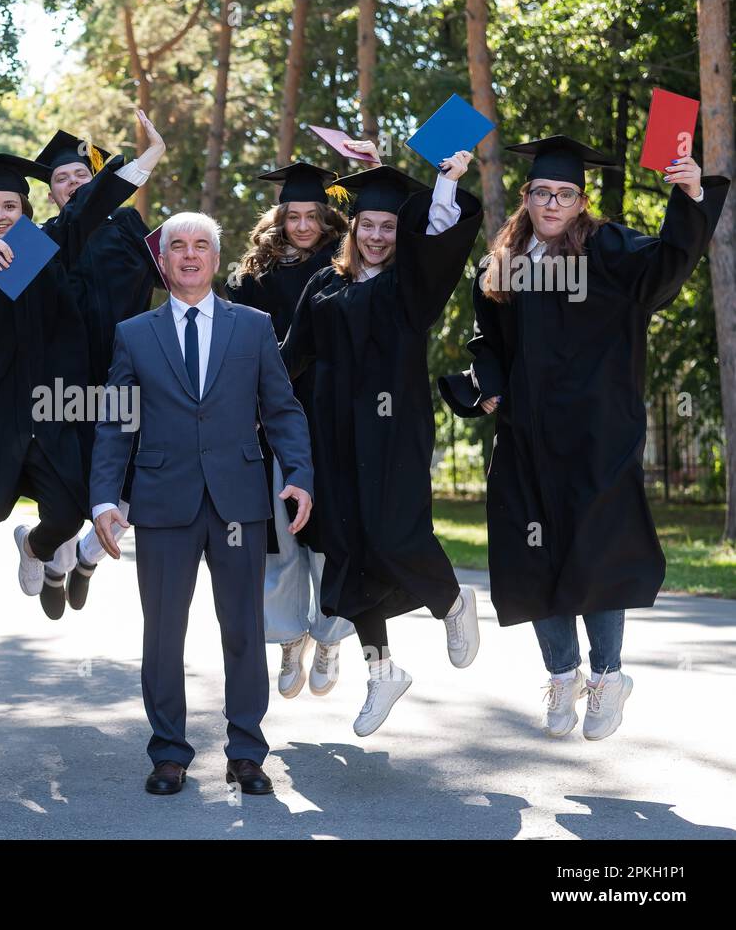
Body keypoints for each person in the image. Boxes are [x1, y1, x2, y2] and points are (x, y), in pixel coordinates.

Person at [439, 135, 729, 741]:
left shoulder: (608, 247)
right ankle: (563, 673)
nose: (552, 202)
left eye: (564, 193)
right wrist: (488, 385)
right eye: (542, 191)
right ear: (527, 195)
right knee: (533, 556)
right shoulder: (507, 262)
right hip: (527, 438)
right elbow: (488, 339)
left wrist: (691, 193)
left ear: (580, 199)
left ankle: (608, 677)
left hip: (599, 436)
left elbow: (669, 265)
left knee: (597, 554)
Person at [0, 110, 163, 624]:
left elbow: (92, 204)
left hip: (48, 412)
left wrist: (150, 155)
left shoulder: (43, 248)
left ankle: (36, 549)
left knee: (66, 512)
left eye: (9, 206)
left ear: (26, 209)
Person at [90, 210, 315, 797]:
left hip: (239, 503)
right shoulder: (134, 334)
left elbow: (284, 410)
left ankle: (246, 751)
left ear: (216, 260)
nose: (189, 255)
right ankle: (168, 753)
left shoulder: (254, 327)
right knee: (163, 633)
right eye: (177, 247)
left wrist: (300, 474)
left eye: (201, 246)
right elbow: (116, 425)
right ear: (162, 262)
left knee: (242, 628)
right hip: (163, 504)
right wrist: (103, 499)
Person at [280, 156, 484, 737]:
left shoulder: (411, 283)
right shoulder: (325, 282)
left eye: (388, 227)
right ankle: (382, 670)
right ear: (351, 228)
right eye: (367, 225)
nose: (375, 237)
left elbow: (440, 237)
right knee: (345, 549)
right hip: (333, 435)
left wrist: (445, 182)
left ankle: (450, 602)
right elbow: (291, 354)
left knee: (395, 534)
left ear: (402, 233)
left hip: (393, 431)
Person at [228, 158, 355, 700]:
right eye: (292, 215)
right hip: (270, 417)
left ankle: (328, 636)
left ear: (327, 218)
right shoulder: (252, 275)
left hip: (330, 414)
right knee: (279, 540)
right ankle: (286, 639)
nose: (302, 225)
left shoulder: (344, 267)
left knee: (327, 539)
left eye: (312, 215)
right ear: (278, 218)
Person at [31, 128, 166, 619]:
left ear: (96, 180)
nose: (72, 183)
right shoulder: (43, 237)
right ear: (51, 193)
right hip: (65, 382)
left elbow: (175, 274)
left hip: (129, 372)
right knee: (72, 485)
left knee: (133, 482)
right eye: (62, 179)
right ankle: (55, 564)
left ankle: (87, 558)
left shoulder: (131, 223)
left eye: (81, 175)